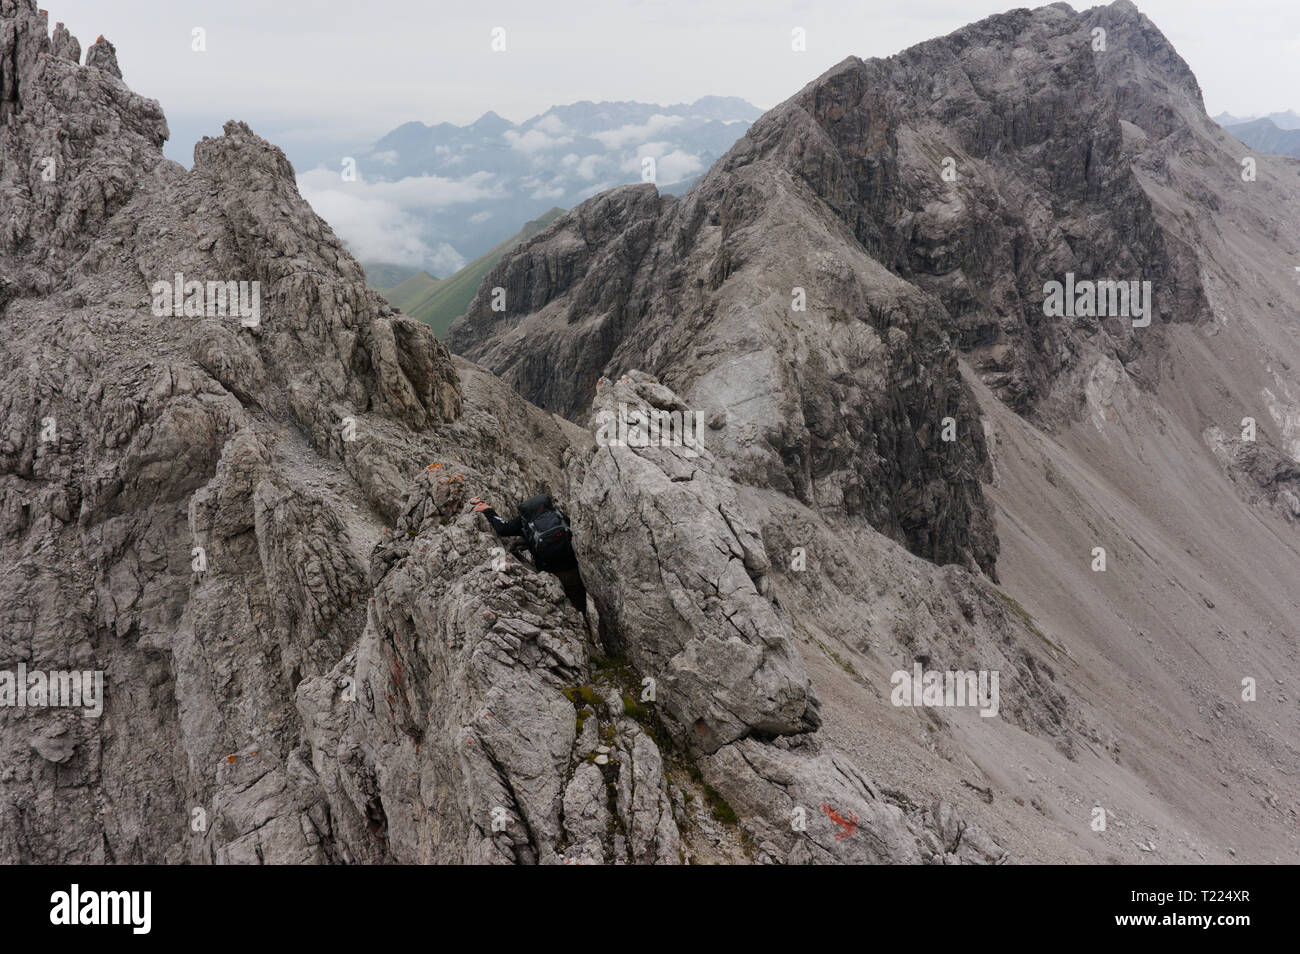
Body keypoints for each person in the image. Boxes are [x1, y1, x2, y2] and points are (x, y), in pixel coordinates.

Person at [470, 493, 587, 613]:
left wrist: (488, 510)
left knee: (561, 608)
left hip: (550, 574)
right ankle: (585, 623)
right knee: (579, 603)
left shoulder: (524, 521)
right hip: (573, 570)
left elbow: (503, 529)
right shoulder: (557, 515)